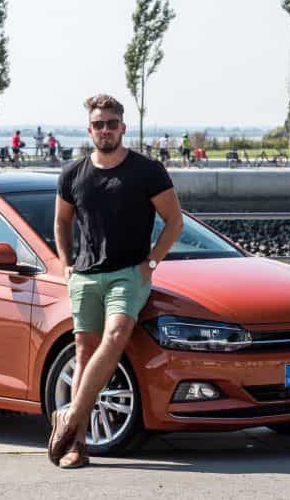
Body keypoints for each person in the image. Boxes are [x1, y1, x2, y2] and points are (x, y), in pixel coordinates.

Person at [48, 94, 183, 469]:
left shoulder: (147, 171)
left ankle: (68, 416)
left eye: (111, 124)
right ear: (89, 129)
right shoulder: (73, 174)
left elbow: (174, 221)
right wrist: (66, 265)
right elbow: (61, 222)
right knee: (84, 354)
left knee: (117, 334)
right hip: (86, 276)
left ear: (123, 127)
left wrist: (151, 262)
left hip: (129, 273)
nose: (105, 130)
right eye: (98, 124)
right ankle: (77, 445)